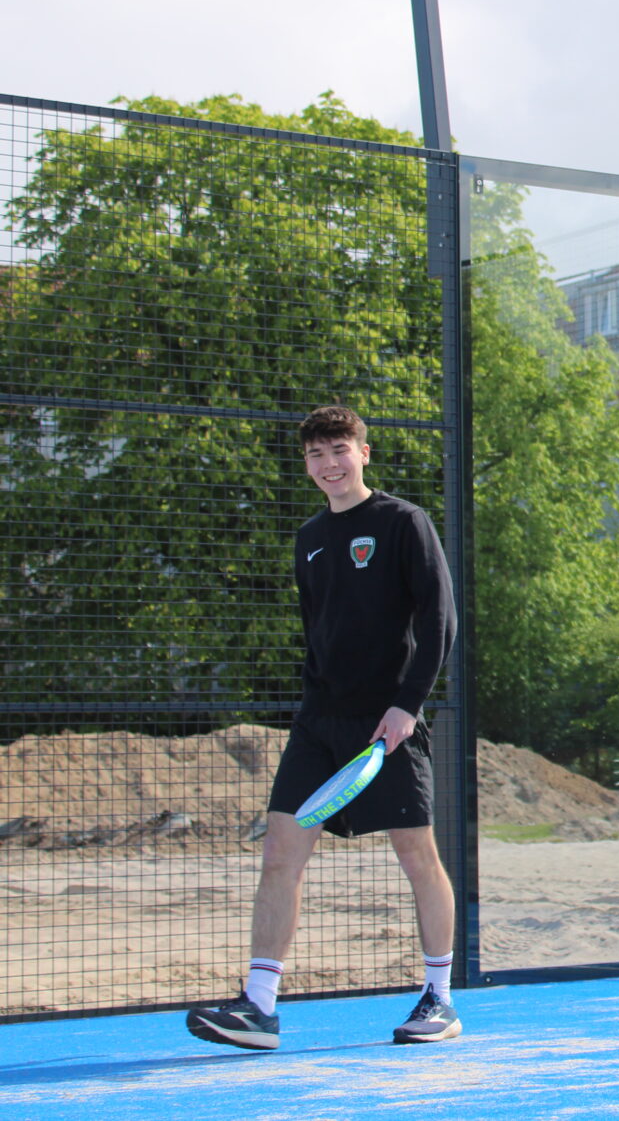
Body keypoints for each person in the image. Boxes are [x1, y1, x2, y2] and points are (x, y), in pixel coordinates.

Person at [187, 405, 461, 1050]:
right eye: (315, 455)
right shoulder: (309, 536)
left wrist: (406, 705)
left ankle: (440, 999)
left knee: (416, 856)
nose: (327, 464)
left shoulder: (402, 522)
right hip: (318, 724)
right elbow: (320, 631)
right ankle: (259, 1007)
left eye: (338, 449)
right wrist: (313, 710)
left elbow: (439, 621)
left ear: (364, 453)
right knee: (280, 856)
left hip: (387, 725)